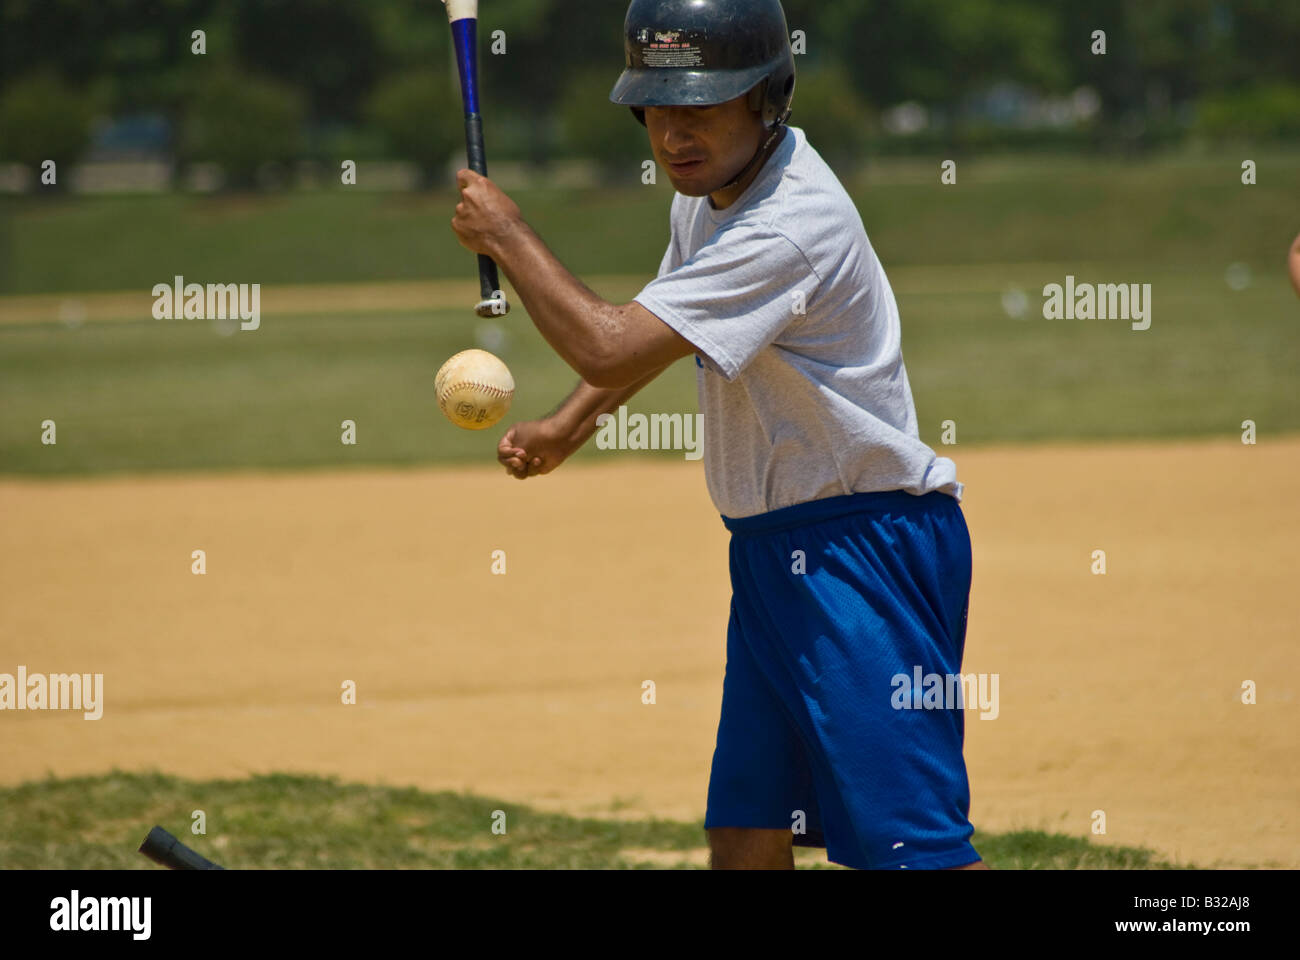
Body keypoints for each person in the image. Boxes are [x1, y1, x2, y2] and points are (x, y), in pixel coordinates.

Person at [451, 0, 985, 870]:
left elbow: (607, 338)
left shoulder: (788, 222)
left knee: (911, 847)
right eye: (657, 112)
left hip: (863, 552)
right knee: (747, 832)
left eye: (700, 109)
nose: (673, 137)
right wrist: (566, 424)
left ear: (767, 99)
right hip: (776, 554)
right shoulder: (711, 201)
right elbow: (656, 330)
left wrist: (507, 233)